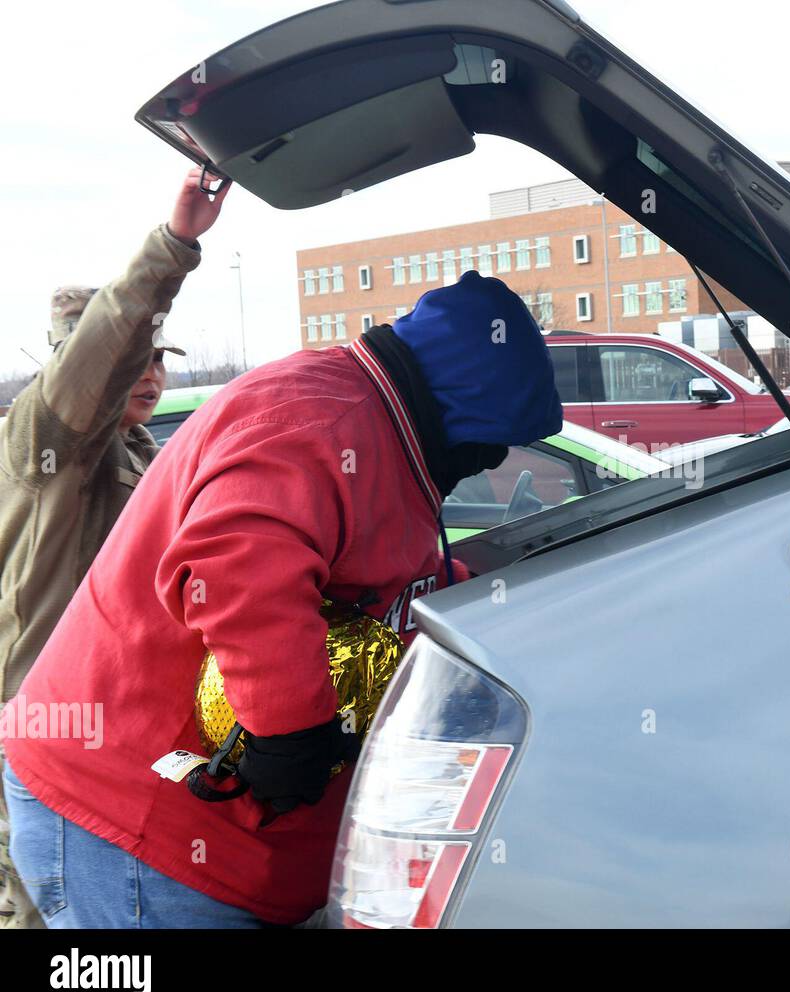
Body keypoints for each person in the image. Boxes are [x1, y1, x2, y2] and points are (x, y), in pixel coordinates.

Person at [2, 269, 562, 928]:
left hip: (225, 849)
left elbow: (383, 580)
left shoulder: (391, 430)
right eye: (486, 442)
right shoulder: (314, 421)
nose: (487, 460)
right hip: (136, 829)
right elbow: (240, 571)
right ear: (457, 412)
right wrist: (292, 728)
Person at [0, 168, 226, 929]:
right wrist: (174, 247)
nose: (152, 373)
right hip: (40, 726)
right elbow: (91, 370)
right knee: (43, 907)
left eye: (161, 358)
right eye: (138, 358)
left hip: (112, 718)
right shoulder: (43, 444)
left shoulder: (138, 451)